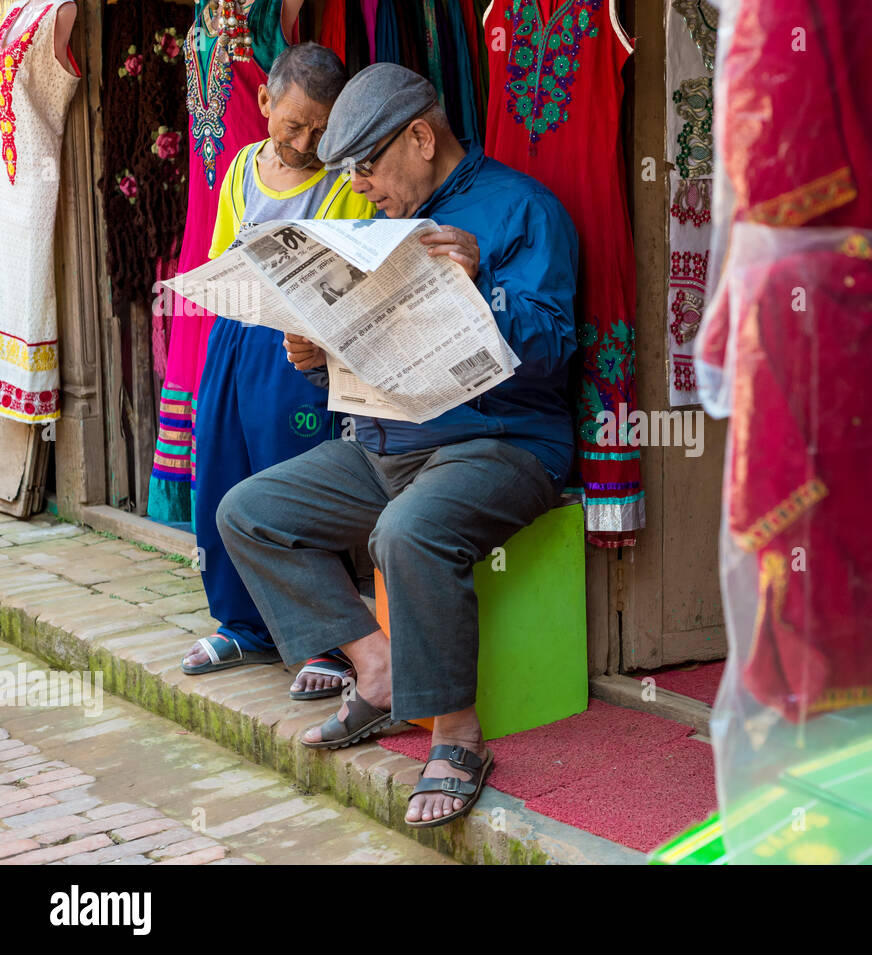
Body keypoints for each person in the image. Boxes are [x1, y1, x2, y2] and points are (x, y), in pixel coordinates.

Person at [217, 63, 579, 828]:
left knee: (406, 531)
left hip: (503, 444)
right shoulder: (375, 228)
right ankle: (377, 668)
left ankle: (457, 736)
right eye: (349, 171)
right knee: (249, 511)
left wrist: (476, 292)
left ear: (421, 137)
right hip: (391, 445)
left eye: (368, 166)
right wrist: (320, 358)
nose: (362, 186)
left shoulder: (523, 210)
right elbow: (376, 362)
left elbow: (552, 347)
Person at [180, 43, 377, 701]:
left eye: (321, 130)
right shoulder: (240, 168)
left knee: (287, 478)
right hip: (236, 335)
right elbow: (220, 252)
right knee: (223, 469)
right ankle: (243, 624)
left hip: (299, 348)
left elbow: (355, 274)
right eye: (293, 125)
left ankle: (326, 639)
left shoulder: (344, 183)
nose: (304, 142)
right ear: (264, 101)